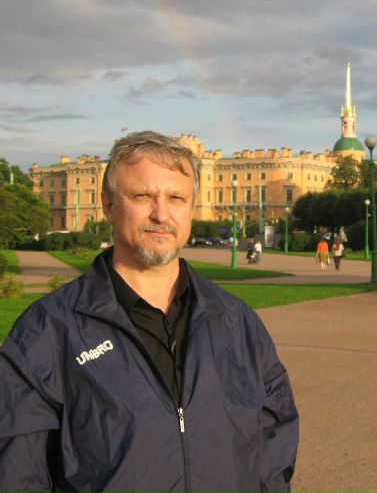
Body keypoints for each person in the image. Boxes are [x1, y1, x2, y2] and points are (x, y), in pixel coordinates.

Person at [0, 131, 298, 493]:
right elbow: (17, 470)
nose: (161, 214)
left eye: (176, 198)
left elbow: (275, 441)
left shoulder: (237, 322)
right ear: (109, 204)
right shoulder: (49, 329)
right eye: (142, 196)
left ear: (191, 208)